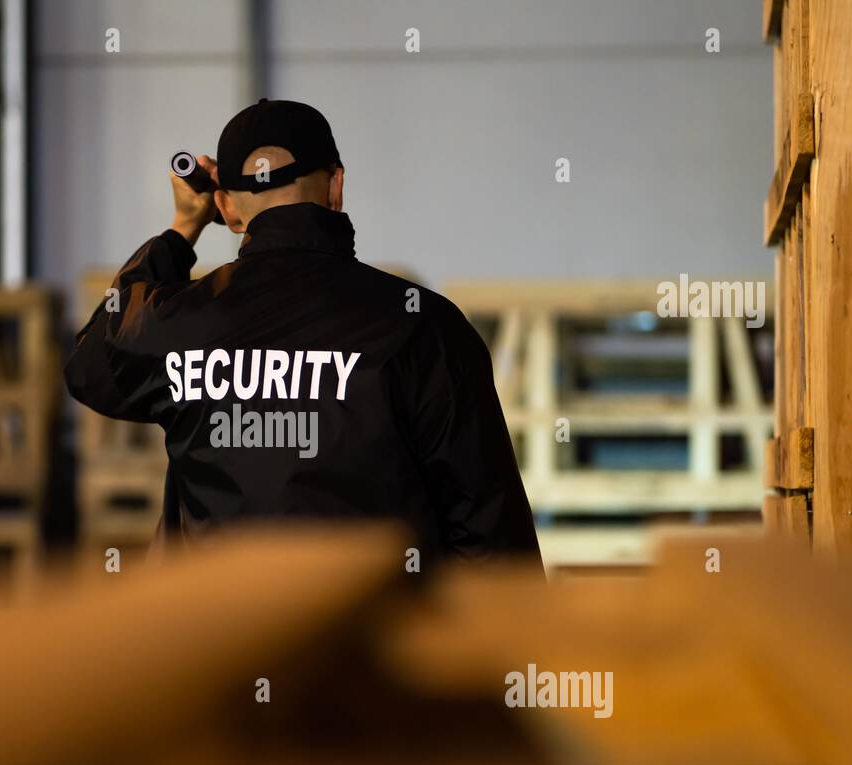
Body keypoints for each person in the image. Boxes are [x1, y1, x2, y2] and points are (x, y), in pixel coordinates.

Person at [65, 98, 540, 566]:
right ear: (336, 187)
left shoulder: (176, 322)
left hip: (217, 638)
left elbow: (92, 367)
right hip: (378, 636)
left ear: (228, 210)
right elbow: (489, 525)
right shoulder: (423, 324)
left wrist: (181, 230)